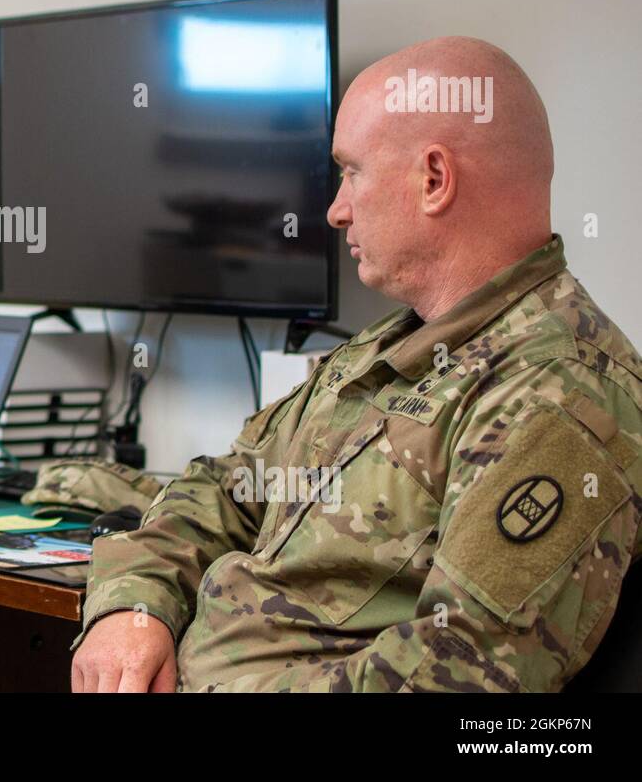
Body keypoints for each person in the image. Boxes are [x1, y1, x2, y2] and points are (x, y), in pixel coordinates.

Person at [71, 36, 642, 692]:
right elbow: (224, 489)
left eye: (351, 172)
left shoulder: (558, 393)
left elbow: (462, 674)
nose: (335, 210)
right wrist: (132, 606)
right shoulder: (385, 351)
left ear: (433, 179)